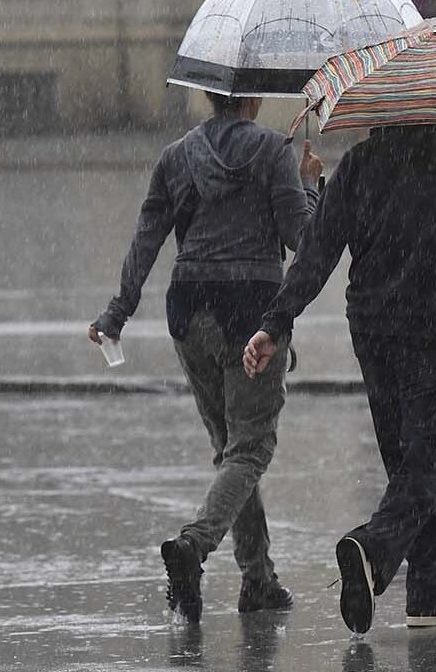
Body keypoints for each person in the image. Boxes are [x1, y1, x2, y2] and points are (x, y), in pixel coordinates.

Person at [242, 123, 436, 634]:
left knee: (412, 463)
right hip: (435, 328)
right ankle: (373, 549)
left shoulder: (359, 165)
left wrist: (276, 321)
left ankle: (435, 596)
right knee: (429, 460)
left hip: (374, 332)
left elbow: (317, 251)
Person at [89, 92, 323, 625]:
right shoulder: (273, 152)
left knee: (231, 450)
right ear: (256, 96)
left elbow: (147, 238)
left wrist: (116, 313)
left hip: (189, 308)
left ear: (208, 90)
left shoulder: (176, 157)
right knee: (250, 448)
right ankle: (193, 546)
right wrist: (310, 186)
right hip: (251, 310)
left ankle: (258, 580)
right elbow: (301, 238)